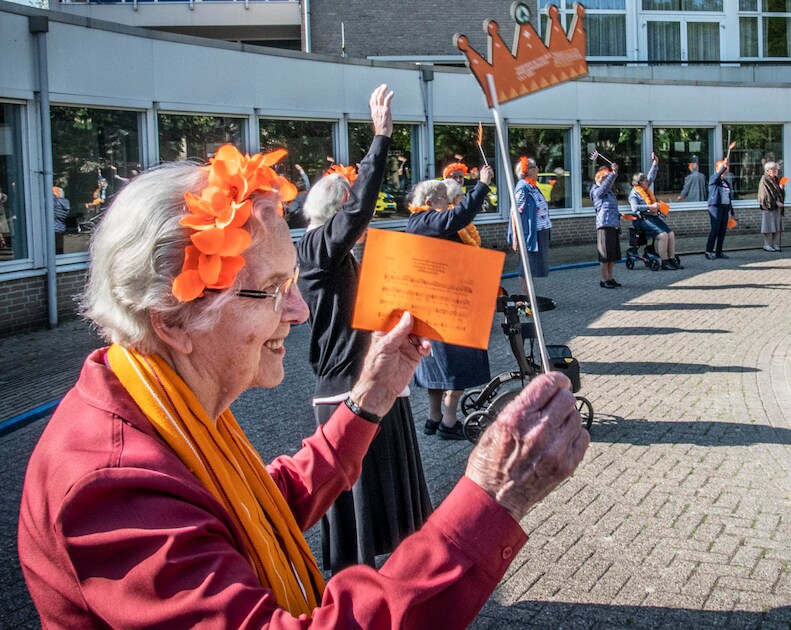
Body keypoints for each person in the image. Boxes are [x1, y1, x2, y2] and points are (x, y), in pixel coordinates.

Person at [18, 137, 588, 626]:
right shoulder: (111, 486)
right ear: (173, 321)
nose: (297, 310)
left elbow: (262, 505)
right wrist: (490, 497)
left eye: (294, 282)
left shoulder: (163, 400)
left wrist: (369, 397)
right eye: (271, 290)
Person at [297, 86, 432, 572]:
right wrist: (380, 139)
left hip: (377, 385)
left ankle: (400, 574)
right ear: (337, 213)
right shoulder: (317, 249)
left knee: (395, 496)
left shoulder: (341, 256)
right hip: (343, 392)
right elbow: (358, 212)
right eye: (353, 214)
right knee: (358, 499)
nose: (364, 224)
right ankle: (356, 596)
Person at [405, 166, 497, 441]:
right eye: (446, 197)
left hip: (432, 303)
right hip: (445, 305)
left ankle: (433, 419)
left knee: (436, 365)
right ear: (431, 201)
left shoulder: (420, 222)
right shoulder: (429, 220)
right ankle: (449, 421)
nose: (450, 201)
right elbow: (460, 216)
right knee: (456, 363)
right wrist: (481, 185)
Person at [629, 152, 681, 270]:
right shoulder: (634, 194)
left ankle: (672, 259)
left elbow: (651, 176)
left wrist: (655, 163)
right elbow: (634, 208)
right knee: (663, 236)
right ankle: (665, 262)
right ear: (639, 183)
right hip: (642, 219)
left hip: (652, 217)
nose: (648, 182)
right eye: (645, 181)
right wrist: (650, 206)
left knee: (671, 234)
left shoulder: (646, 189)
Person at [510, 156, 552, 278]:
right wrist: (515, 238)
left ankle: (530, 295)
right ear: (528, 170)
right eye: (535, 167)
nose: (538, 169)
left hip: (540, 232)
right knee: (526, 267)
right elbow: (514, 213)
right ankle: (524, 295)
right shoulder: (523, 188)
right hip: (530, 234)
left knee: (534, 267)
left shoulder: (533, 186)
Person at [592, 163, 623, 288]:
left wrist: (620, 216)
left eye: (607, 177)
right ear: (599, 178)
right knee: (605, 255)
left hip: (613, 224)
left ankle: (610, 278)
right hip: (604, 225)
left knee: (612, 254)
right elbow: (603, 189)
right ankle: (603, 279)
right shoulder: (597, 191)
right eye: (604, 177)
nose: (607, 180)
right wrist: (613, 174)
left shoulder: (610, 193)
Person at [705, 141, 736, 260]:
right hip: (715, 207)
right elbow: (717, 175)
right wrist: (724, 164)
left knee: (723, 230)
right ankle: (708, 251)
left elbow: (729, 197)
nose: (725, 170)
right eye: (722, 168)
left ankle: (719, 252)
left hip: (724, 207)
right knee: (715, 229)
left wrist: (732, 212)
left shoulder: (726, 182)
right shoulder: (714, 179)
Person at [758, 161, 785, 252]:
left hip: (777, 207)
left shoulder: (776, 179)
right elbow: (764, 195)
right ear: (768, 170)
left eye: (776, 168)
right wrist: (775, 202)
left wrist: (781, 188)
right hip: (768, 207)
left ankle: (774, 243)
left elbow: (778, 192)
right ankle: (767, 244)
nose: (776, 170)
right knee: (768, 226)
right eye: (774, 169)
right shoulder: (764, 179)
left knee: (777, 226)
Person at [52, 186, 69, 254]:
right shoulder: (65, 202)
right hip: (61, 228)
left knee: (54, 251)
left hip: (54, 229)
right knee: (59, 249)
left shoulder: (55, 203)